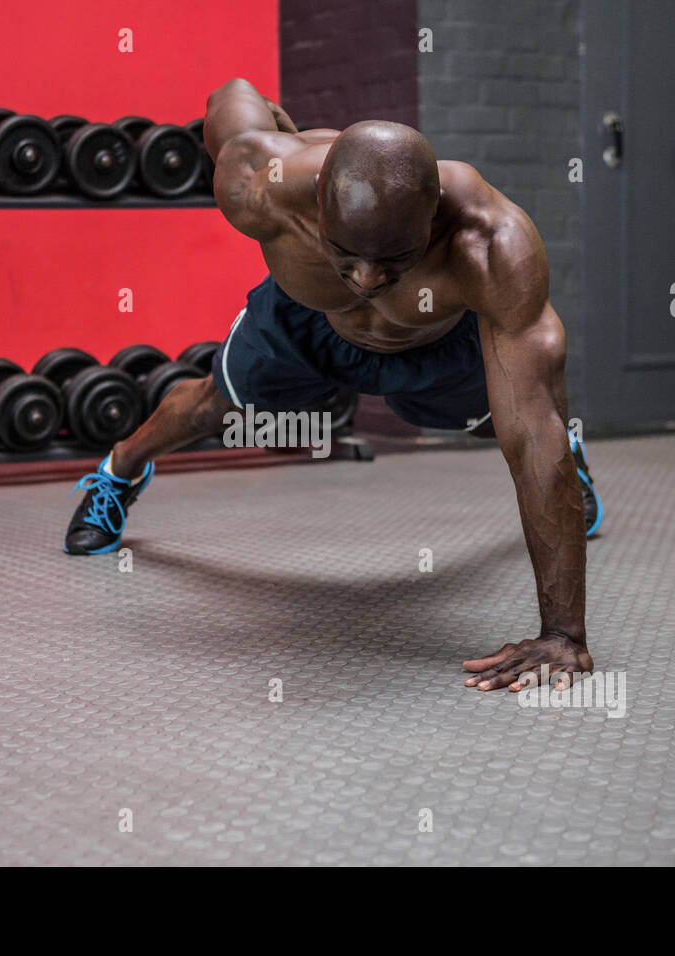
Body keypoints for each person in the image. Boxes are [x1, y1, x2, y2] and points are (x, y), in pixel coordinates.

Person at [65, 78, 603, 692]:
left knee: (526, 428)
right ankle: (119, 471)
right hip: (303, 325)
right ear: (320, 198)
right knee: (217, 407)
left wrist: (564, 636)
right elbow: (232, 92)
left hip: (433, 347)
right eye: (345, 256)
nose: (369, 280)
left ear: (432, 216)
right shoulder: (258, 178)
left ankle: (573, 464)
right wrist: (283, 128)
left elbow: (533, 432)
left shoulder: (491, 243)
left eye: (394, 261)